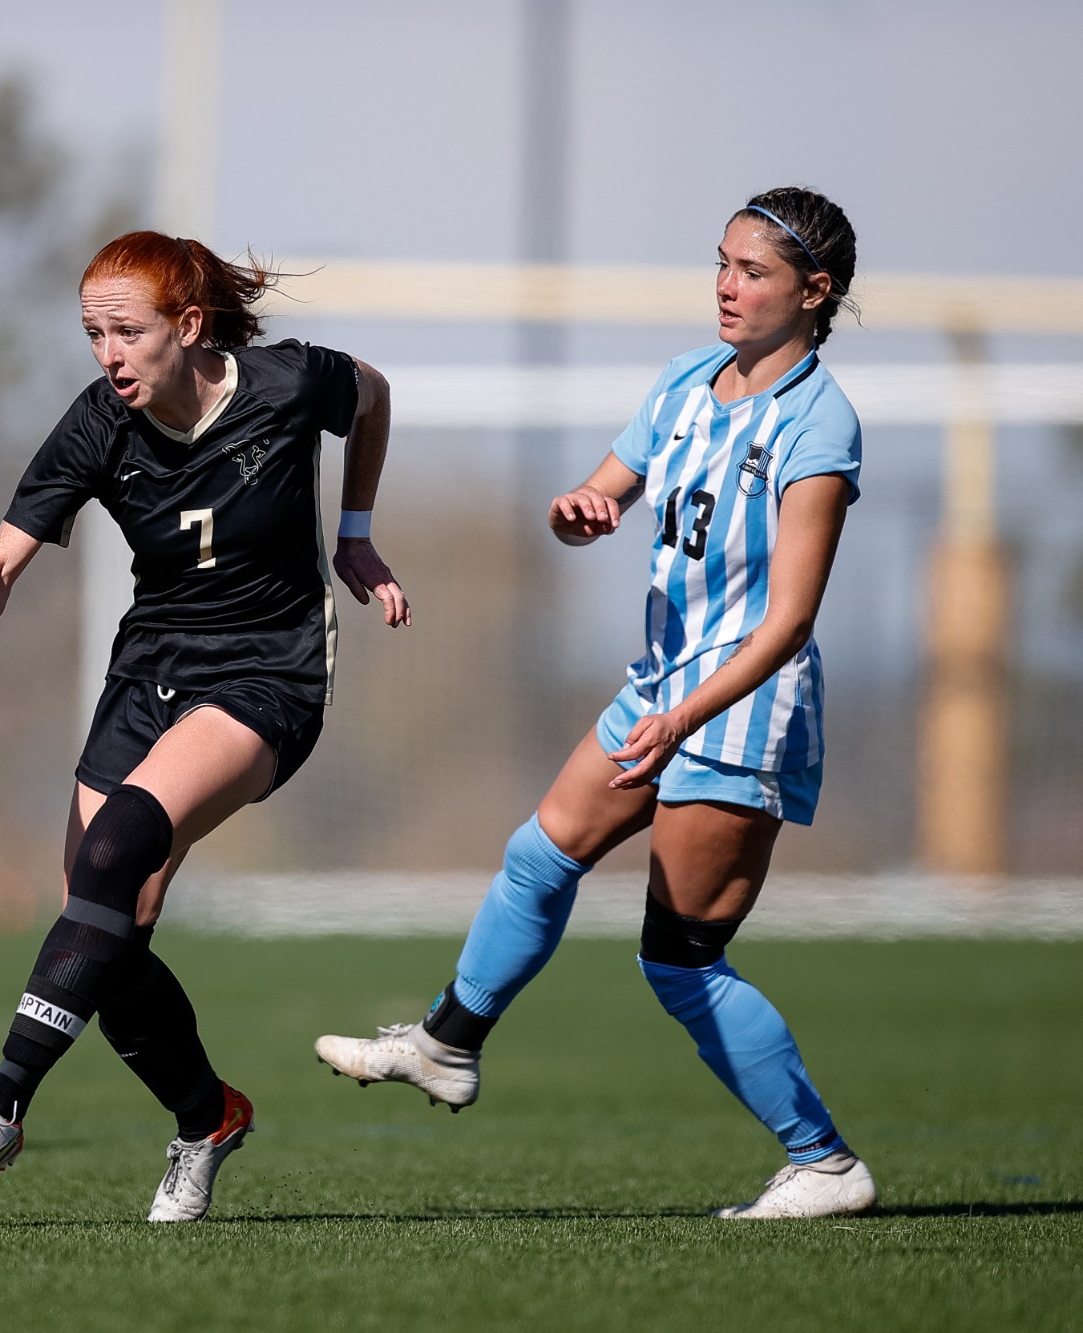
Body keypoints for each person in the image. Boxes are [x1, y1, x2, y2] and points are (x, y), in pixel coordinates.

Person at [316, 187, 877, 1220]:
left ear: (814, 291)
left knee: (680, 960)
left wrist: (685, 717)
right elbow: (605, 492)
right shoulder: (683, 380)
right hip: (661, 687)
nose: (726, 285)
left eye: (752, 271)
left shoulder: (818, 421)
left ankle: (826, 1165)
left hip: (738, 712)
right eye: (721, 262)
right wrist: (582, 510)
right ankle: (446, 1044)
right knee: (540, 854)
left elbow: (789, 619)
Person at [0, 231, 409, 1222]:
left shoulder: (287, 384)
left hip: (267, 678)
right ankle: (207, 1117)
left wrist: (354, 533)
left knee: (114, 851)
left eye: (126, 332)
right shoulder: (98, 423)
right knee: (102, 936)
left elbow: (375, 397)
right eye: (92, 334)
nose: (108, 354)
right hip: (146, 679)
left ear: (186, 326)